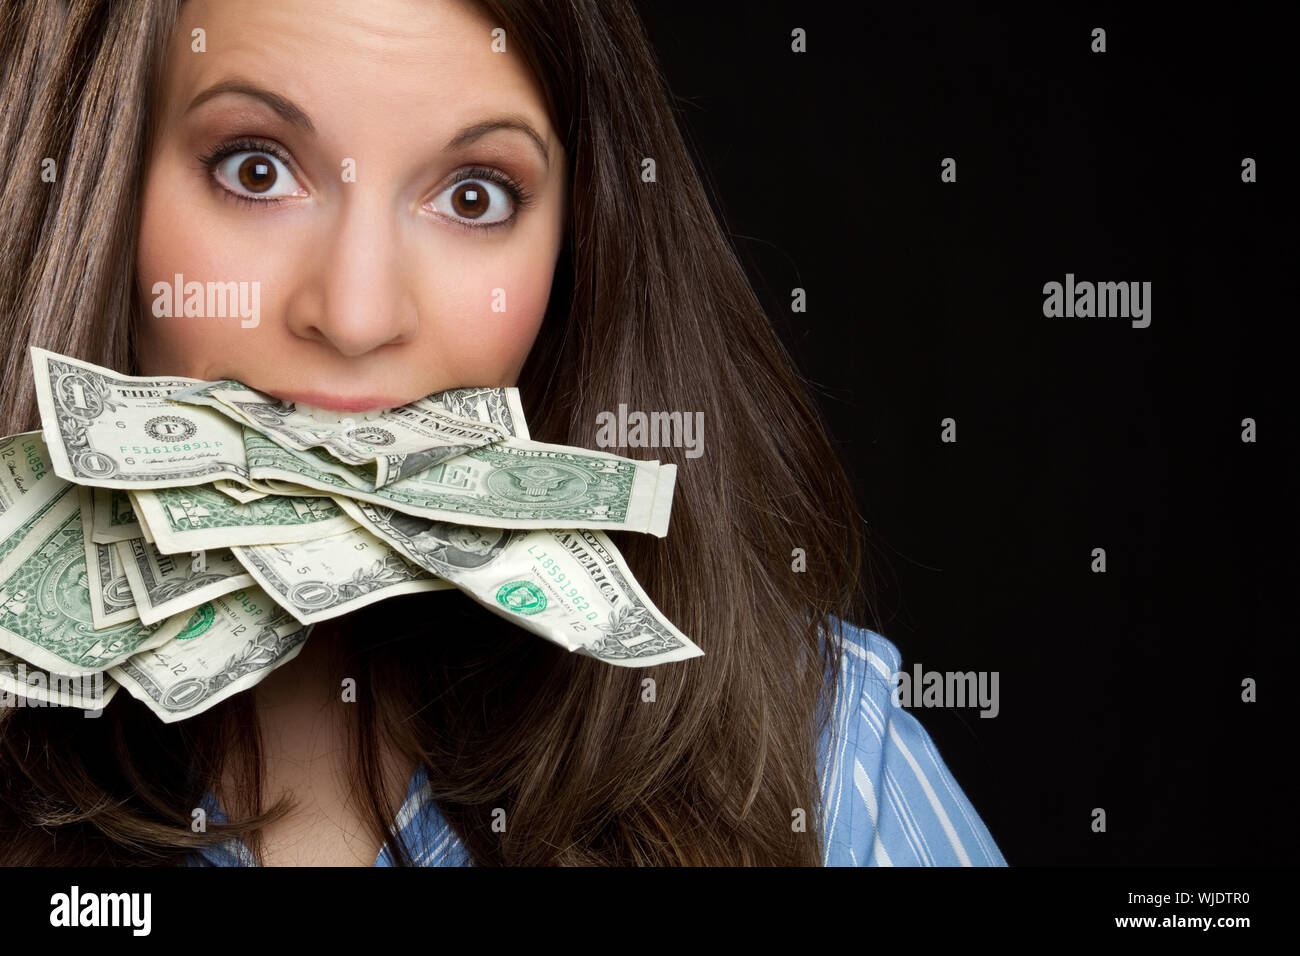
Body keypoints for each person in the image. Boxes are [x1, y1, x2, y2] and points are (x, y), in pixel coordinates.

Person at [0, 0, 1005, 866]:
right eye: (256, 169)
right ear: (104, 180)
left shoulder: (823, 756)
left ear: (575, 247)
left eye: (472, 195)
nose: (355, 314)